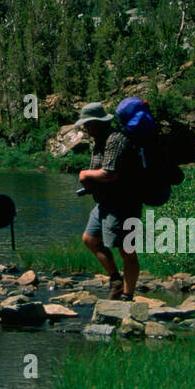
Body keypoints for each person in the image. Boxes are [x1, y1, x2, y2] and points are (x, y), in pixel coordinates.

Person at [76, 102, 143, 300]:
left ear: (98, 122)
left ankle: (127, 295)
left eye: (87, 124)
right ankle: (116, 280)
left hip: (125, 204)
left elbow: (110, 174)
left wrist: (85, 175)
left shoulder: (116, 140)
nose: (85, 128)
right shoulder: (99, 140)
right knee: (90, 239)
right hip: (105, 202)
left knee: (127, 251)